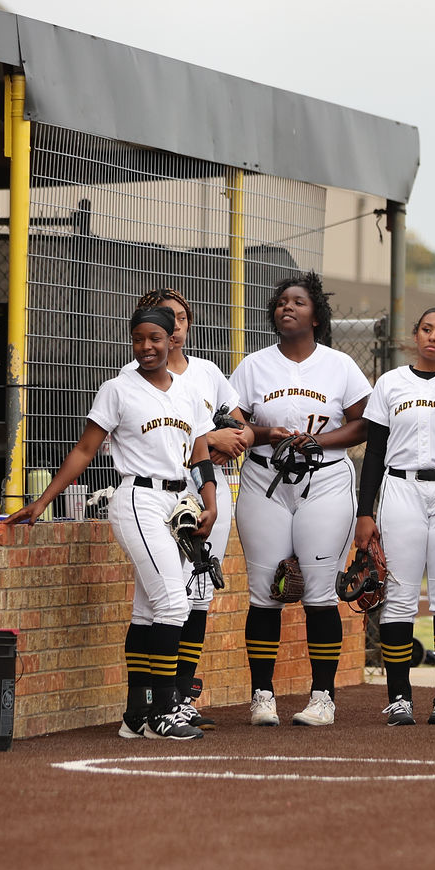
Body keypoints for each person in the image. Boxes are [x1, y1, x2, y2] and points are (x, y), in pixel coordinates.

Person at [6, 305, 219, 740]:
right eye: (138, 338)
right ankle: (164, 710)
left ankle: (136, 714)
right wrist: (43, 500)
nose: (146, 346)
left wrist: (210, 505)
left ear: (171, 339)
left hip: (178, 501)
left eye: (155, 338)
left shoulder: (189, 391)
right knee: (174, 605)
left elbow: (200, 455)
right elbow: (85, 450)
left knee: (148, 611)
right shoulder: (118, 389)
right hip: (138, 497)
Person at [229, 272, 370, 727]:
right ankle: (262, 696)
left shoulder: (339, 365)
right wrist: (263, 433)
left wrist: (317, 441)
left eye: (298, 302)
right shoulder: (253, 366)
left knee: (319, 591)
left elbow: (363, 424)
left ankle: (322, 697)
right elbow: (233, 424)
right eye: (281, 302)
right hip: (264, 479)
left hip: (324, 480)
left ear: (316, 316)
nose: (286, 307)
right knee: (264, 592)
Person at [128, 288, 251, 727]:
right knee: (162, 599)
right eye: (166, 316)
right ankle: (149, 701)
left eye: (181, 317)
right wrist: (209, 439)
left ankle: (181, 695)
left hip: (209, 492)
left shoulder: (207, 372)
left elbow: (243, 429)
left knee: (198, 596)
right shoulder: (133, 376)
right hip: (162, 496)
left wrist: (231, 437)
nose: (175, 324)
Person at [355, 307, 435, 726]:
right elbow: (375, 451)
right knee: (400, 596)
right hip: (401, 489)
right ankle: (399, 697)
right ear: (415, 335)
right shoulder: (391, 382)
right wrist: (364, 512)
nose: (433, 337)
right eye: (427, 329)